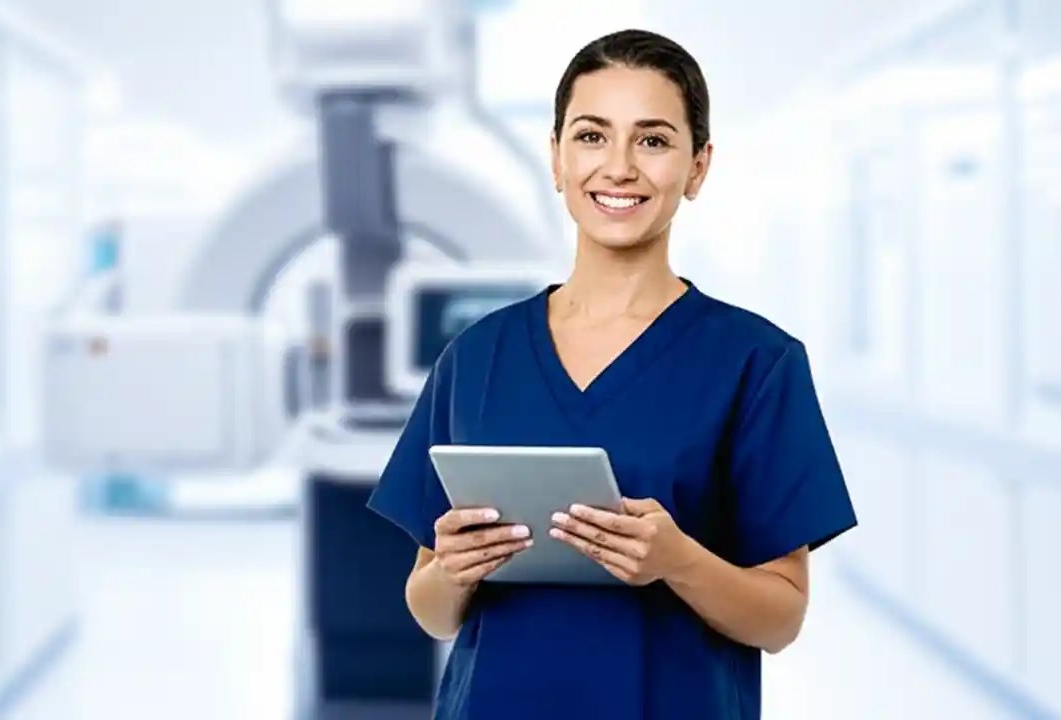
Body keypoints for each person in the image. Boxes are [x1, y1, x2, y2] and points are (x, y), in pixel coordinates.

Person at [366, 27, 858, 719]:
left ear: (697, 167)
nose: (619, 167)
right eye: (592, 136)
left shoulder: (755, 361)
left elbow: (781, 618)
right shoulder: (477, 357)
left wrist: (677, 561)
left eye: (652, 140)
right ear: (557, 158)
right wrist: (453, 569)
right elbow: (431, 610)